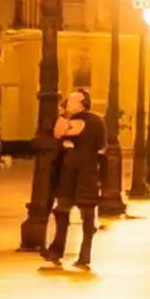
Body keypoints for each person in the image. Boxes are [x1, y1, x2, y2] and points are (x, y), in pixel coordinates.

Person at [43, 88, 105, 271]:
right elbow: (57, 133)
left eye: (70, 101)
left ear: (82, 102)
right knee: (61, 210)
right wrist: (63, 115)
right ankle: (56, 251)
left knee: (87, 214)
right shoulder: (64, 119)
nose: (67, 103)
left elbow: (100, 145)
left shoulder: (94, 120)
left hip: (86, 173)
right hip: (67, 172)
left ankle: (84, 257)